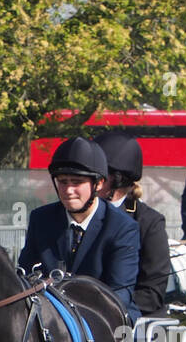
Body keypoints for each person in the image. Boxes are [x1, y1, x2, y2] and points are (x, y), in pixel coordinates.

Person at [18, 136, 141, 324]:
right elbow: (25, 278)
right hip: (49, 321)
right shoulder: (40, 219)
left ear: (98, 184)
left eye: (76, 182)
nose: (68, 190)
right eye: (62, 181)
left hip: (104, 321)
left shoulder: (122, 227)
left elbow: (119, 294)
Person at [95, 131, 170, 317]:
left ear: (118, 179)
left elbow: (151, 294)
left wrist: (97, 307)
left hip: (120, 322)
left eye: (97, 176)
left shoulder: (149, 223)